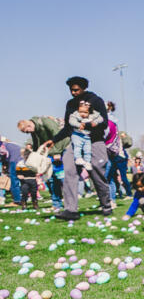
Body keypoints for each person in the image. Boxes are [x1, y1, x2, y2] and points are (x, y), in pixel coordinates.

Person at [44, 76, 113, 219]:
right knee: (69, 171)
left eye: (76, 90)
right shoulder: (70, 104)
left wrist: (88, 125)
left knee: (97, 174)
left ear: (83, 88)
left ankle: (106, 205)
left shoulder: (96, 100)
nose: (73, 93)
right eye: (71, 90)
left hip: (95, 142)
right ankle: (71, 210)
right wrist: (54, 140)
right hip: (76, 143)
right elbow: (68, 127)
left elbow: (104, 123)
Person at [18, 117, 69, 210]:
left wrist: (56, 152)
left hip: (61, 149)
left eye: (26, 131)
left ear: (29, 125)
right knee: (51, 179)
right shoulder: (34, 130)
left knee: (62, 178)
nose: (28, 133)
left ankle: (70, 203)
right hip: (50, 152)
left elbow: (58, 135)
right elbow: (36, 143)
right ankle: (56, 204)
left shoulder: (45, 122)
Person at [68, 99, 104, 171]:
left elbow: (101, 118)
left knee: (88, 150)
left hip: (87, 137)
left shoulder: (92, 116)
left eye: (85, 112)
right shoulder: (75, 115)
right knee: (78, 147)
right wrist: (78, 125)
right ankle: (78, 158)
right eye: (81, 112)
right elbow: (71, 121)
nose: (83, 114)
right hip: (77, 135)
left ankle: (87, 162)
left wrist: (96, 122)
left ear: (89, 112)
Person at [0, 139, 22, 206]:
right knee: (24, 180)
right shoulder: (8, 144)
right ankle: (28, 200)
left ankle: (17, 201)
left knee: (14, 181)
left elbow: (4, 154)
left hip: (14, 160)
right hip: (22, 160)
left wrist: (4, 164)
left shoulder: (3, 146)